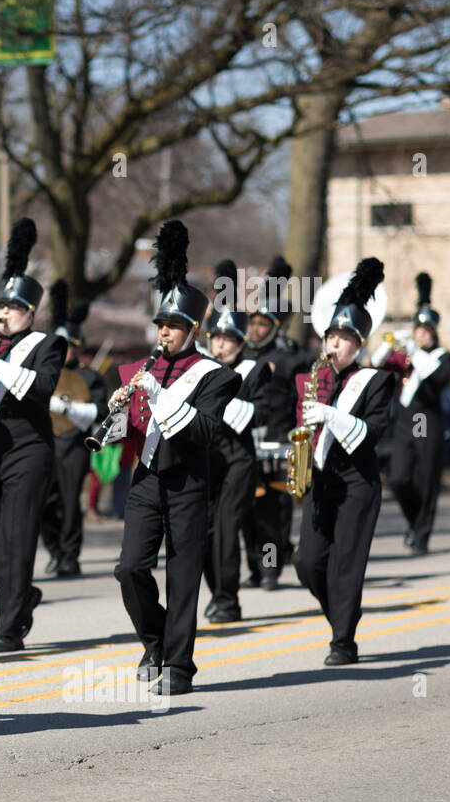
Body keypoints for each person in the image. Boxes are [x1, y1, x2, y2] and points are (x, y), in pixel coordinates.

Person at [110, 220, 240, 696]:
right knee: (129, 568)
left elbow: (202, 431)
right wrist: (113, 423)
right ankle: (154, 639)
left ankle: (180, 666)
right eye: (161, 324)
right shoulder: (140, 368)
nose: (165, 332)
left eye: (174, 326)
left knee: (183, 574)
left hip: (188, 481)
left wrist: (158, 394)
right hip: (146, 480)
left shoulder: (216, 376)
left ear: (192, 329)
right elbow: (136, 431)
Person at [0, 218, 67, 653]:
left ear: (30, 311)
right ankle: (21, 595)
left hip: (29, 452)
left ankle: (10, 628)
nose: (3, 313)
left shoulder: (48, 344)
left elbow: (41, 390)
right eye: (1, 307)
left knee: (16, 542)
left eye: (13, 307)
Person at [293, 258, 395, 664]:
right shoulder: (313, 379)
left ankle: (343, 641)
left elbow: (371, 435)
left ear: (359, 344)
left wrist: (331, 415)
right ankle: (341, 615)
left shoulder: (376, 381)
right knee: (306, 562)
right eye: (330, 337)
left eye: (343, 338)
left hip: (358, 483)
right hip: (321, 482)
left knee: (346, 564)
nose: (333, 345)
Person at [200, 260, 272, 624]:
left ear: (241, 342)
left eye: (229, 339)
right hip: (206, 459)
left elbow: (254, 414)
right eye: (217, 338)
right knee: (205, 530)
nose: (222, 345)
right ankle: (217, 594)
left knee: (227, 528)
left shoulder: (254, 370)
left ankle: (228, 599)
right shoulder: (201, 369)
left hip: (238, 460)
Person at [373, 273, 450, 556]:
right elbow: (378, 364)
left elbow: (438, 378)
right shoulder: (409, 356)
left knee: (428, 478)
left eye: (424, 331)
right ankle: (414, 521)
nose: (419, 335)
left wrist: (414, 350)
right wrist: (388, 343)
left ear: (433, 332)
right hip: (406, 422)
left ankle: (422, 535)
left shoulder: (443, 356)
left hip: (428, 421)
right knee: (399, 478)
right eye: (417, 330)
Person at [240, 256, 308, 590]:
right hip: (246, 443)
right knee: (248, 510)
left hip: (279, 443)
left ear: (275, 328)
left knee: (271, 512)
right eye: (252, 324)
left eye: (262, 325)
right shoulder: (242, 357)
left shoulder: (291, 359)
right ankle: (255, 568)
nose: (254, 330)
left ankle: (270, 570)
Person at [40, 284, 109, 578]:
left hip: (74, 445)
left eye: (69, 346)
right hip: (45, 444)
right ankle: (54, 549)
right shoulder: (45, 374)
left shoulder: (89, 376)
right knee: (44, 502)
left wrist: (69, 409)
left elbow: (101, 412)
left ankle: (70, 555)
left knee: (70, 503)